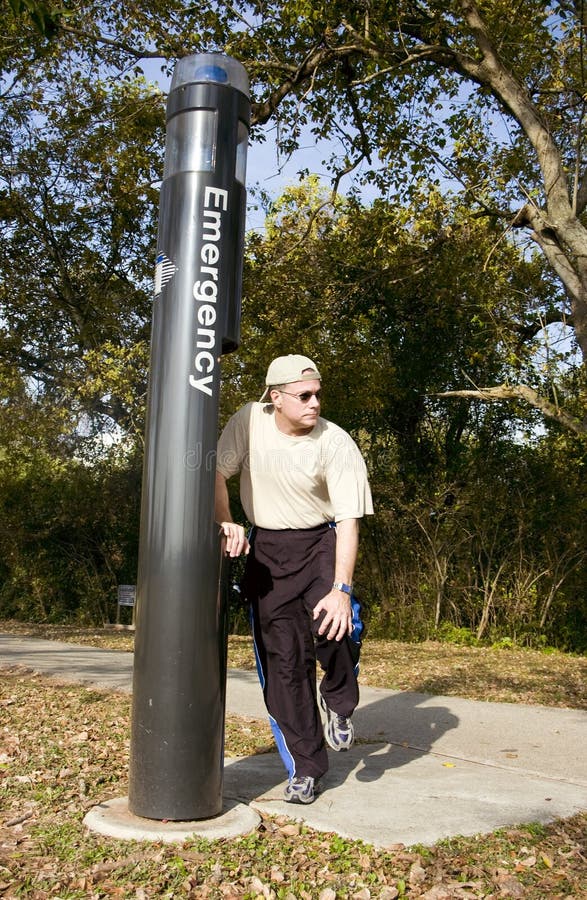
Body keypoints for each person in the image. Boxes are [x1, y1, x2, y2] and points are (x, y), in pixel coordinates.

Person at [215, 354, 373, 804]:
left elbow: (349, 522)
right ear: (276, 397)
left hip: (320, 542)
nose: (314, 403)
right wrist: (226, 521)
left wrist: (341, 589)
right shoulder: (249, 421)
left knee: (336, 622)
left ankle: (339, 699)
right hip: (267, 551)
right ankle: (306, 767)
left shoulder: (335, 442)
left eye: (317, 394)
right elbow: (216, 473)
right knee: (284, 667)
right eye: (304, 395)